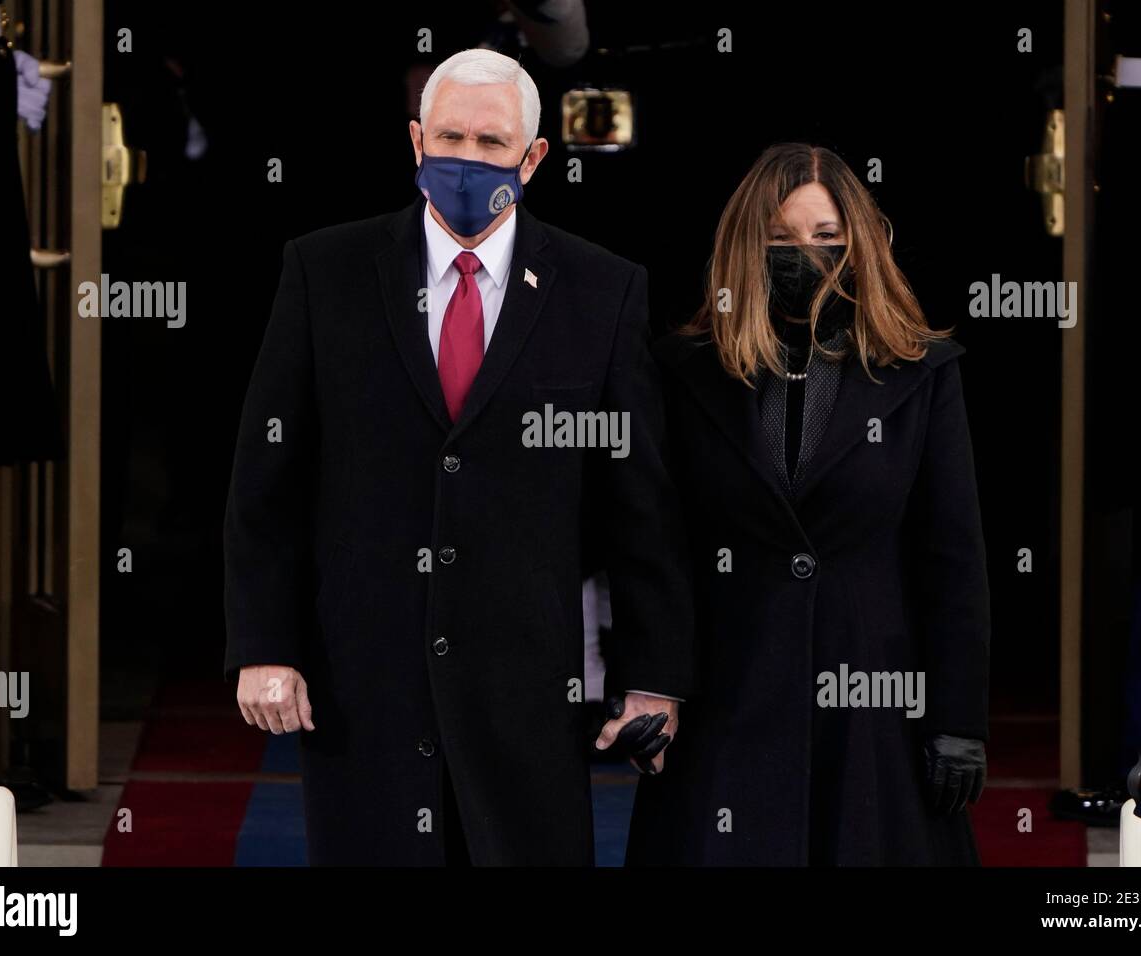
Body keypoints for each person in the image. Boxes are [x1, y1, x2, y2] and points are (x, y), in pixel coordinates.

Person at [223, 49, 692, 865]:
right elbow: (268, 479)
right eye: (449, 138)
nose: (466, 160)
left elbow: (637, 501)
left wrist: (652, 673)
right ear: (415, 142)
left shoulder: (601, 289)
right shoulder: (324, 271)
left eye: (490, 143)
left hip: (527, 690)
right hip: (364, 682)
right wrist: (265, 644)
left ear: (534, 157)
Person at [626, 143, 990, 865]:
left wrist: (958, 720)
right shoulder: (684, 372)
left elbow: (953, 558)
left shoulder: (920, 373)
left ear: (858, 242)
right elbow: (656, 545)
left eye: (826, 238)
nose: (807, 257)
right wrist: (652, 681)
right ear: (745, 248)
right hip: (728, 704)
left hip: (875, 709)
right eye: (781, 240)